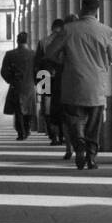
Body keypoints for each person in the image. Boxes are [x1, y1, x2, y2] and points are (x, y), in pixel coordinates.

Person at [47, 0, 112, 171]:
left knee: (74, 121)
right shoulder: (106, 31)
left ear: (82, 9)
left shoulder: (68, 29)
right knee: (94, 125)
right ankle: (91, 158)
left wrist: (64, 61)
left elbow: (49, 53)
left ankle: (79, 147)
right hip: (97, 86)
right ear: (97, 11)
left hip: (73, 85)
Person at [35, 19, 66, 148]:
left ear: (52, 28)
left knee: (47, 107)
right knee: (62, 105)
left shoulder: (43, 42)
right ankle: (63, 135)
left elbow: (37, 63)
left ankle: (53, 136)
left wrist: (38, 83)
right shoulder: (65, 40)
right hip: (62, 76)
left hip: (45, 76)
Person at [1, 31, 37, 140]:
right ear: (27, 40)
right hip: (30, 85)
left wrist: (10, 80)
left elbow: (3, 71)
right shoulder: (34, 54)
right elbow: (40, 70)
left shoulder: (10, 54)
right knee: (29, 108)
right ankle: (27, 128)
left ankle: (21, 132)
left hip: (16, 85)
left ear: (17, 40)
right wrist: (39, 84)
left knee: (18, 110)